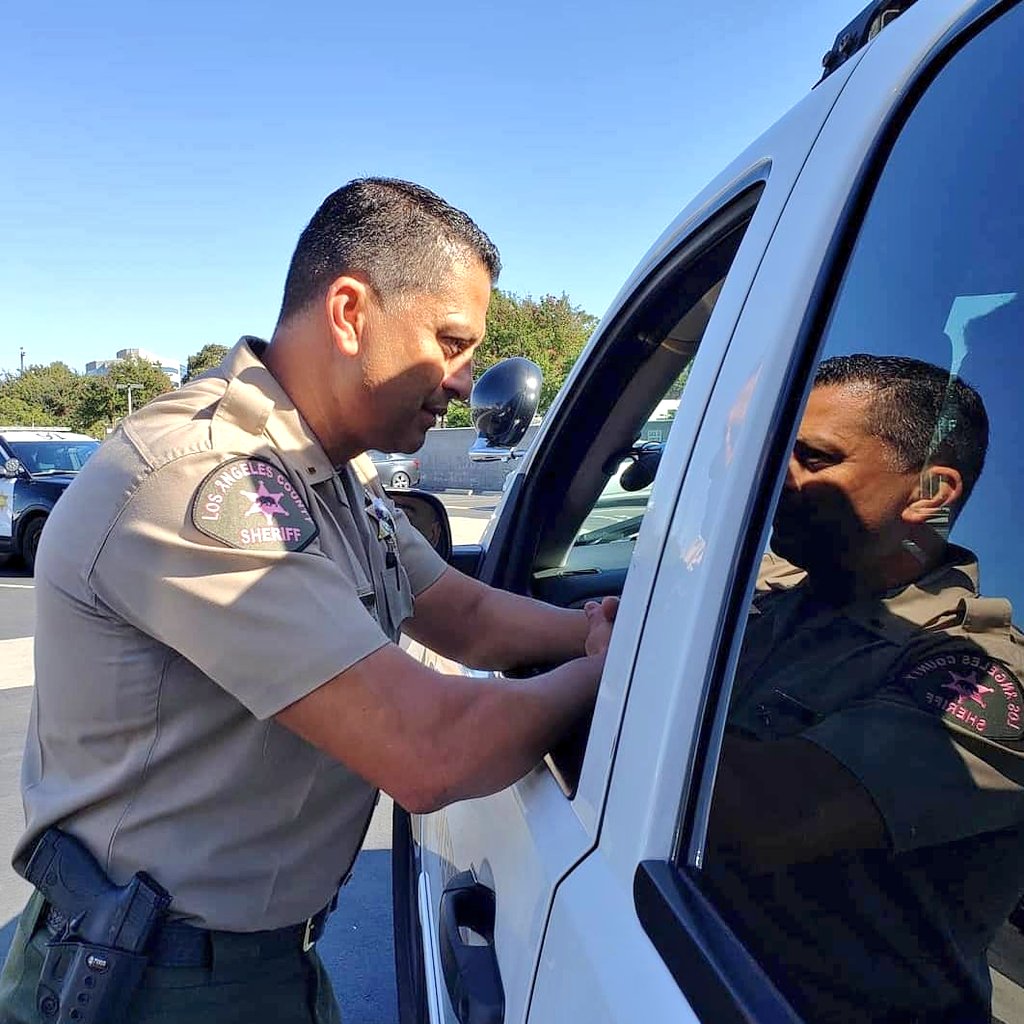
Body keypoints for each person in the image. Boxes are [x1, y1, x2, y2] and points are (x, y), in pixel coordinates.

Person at [0, 178, 617, 1024]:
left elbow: (465, 615)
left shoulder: (330, 475)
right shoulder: (204, 476)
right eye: (449, 342)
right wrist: (613, 671)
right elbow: (427, 751)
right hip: (153, 983)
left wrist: (593, 628)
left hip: (254, 964)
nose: (462, 382)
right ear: (351, 311)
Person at [706, 354, 1024, 1022]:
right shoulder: (782, 587)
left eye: (815, 459)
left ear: (931, 492)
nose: (775, 474)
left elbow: (766, 817)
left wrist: (599, 685)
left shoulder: (978, 674)